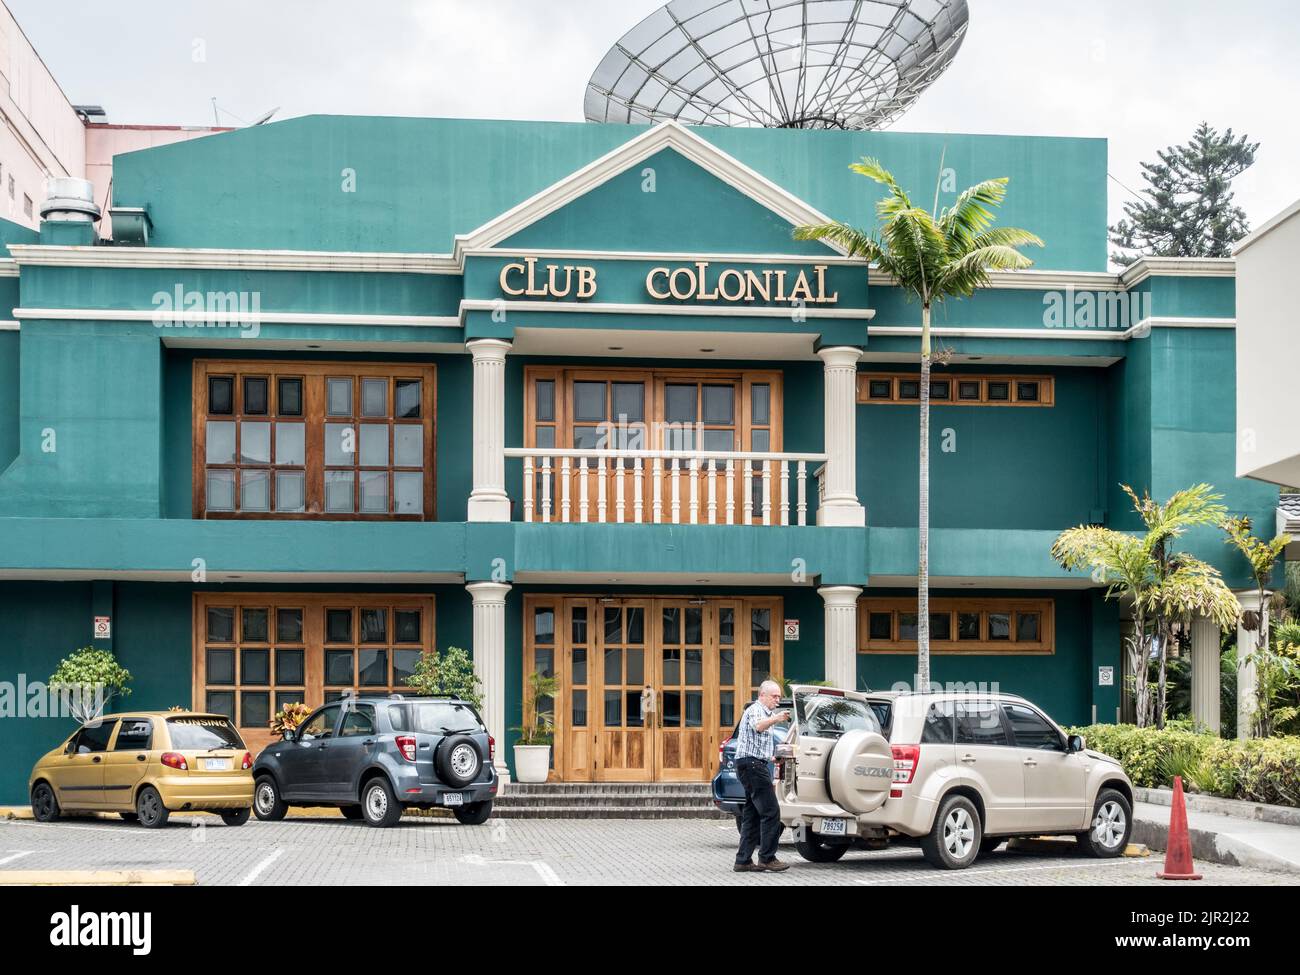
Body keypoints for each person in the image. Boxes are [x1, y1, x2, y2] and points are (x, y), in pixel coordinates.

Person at [733, 679, 791, 872]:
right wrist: (777, 718)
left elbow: (756, 742)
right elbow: (758, 726)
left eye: (779, 696)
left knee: (752, 814)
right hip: (752, 766)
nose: (777, 700)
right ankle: (767, 857)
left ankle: (743, 860)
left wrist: (773, 758)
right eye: (774, 696)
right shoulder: (757, 710)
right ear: (762, 695)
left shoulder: (764, 712)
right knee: (771, 812)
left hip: (752, 764)